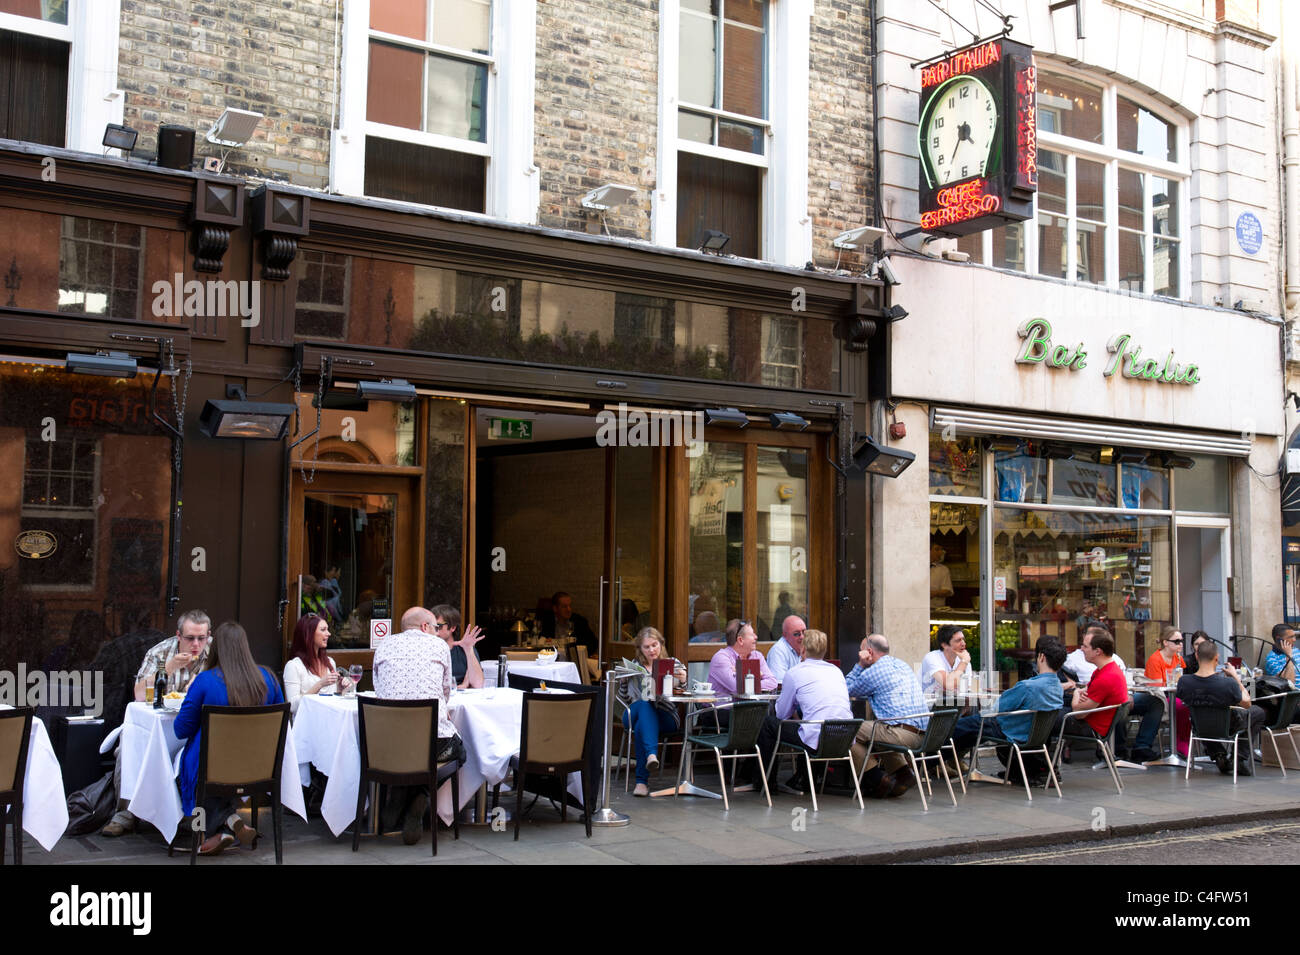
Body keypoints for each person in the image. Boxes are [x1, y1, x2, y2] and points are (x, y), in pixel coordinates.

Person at [173, 621, 284, 855]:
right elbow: (282, 725)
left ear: (216, 649)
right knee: (211, 771)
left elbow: (181, 729)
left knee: (184, 772)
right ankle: (232, 821)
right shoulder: (270, 679)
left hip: (213, 767)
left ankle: (202, 833)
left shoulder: (205, 681)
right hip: (258, 768)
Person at [102, 609, 213, 838]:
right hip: (157, 726)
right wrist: (169, 668)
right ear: (178, 635)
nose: (196, 644)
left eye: (201, 638)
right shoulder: (161, 652)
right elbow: (139, 695)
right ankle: (126, 813)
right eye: (190, 638)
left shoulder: (214, 654)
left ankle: (191, 813)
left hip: (192, 727)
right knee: (128, 745)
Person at [372, 606, 467, 844]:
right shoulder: (439, 646)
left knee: (410, 753)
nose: (437, 632)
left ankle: (401, 794)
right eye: (435, 627)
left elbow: (378, 689)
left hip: (386, 745)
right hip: (433, 742)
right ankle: (420, 795)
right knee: (460, 752)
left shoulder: (384, 645)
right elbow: (446, 692)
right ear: (425, 627)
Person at [951, 636, 1066, 779]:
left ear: (1041, 657)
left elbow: (997, 709)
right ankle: (943, 761)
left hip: (1009, 730)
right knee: (967, 730)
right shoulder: (1058, 688)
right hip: (1031, 735)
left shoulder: (1027, 686)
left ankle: (930, 760)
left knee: (957, 728)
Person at [758, 629, 852, 793]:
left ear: (803, 649)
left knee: (769, 724)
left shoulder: (795, 672)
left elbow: (781, 714)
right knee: (805, 724)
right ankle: (805, 779)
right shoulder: (836, 671)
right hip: (844, 737)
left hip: (816, 739)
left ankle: (766, 782)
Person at [846, 634, 927, 798]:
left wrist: (860, 664)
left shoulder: (874, 671)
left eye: (860, 651)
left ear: (868, 651)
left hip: (902, 734)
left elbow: (845, 689)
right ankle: (903, 773)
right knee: (879, 728)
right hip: (925, 735)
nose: (859, 654)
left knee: (847, 730)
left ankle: (877, 780)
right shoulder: (902, 665)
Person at [1176, 636, 1267, 775]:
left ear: (1196, 656)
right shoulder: (1227, 684)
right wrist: (1235, 678)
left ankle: (1218, 754)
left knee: (1204, 715)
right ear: (1216, 658)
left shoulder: (1184, 682)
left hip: (1200, 728)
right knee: (1257, 712)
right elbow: (1247, 703)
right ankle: (1240, 758)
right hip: (1228, 726)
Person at [620, 627, 686, 796]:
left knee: (643, 723)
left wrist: (682, 679)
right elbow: (625, 699)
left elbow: (683, 690)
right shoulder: (634, 666)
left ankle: (642, 781)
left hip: (666, 715)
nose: (651, 650)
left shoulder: (673, 663)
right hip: (633, 713)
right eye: (646, 647)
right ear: (640, 649)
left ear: (661, 644)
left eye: (654, 645)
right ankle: (650, 756)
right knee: (643, 704)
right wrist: (625, 681)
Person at [1062, 627, 1129, 756]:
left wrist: (1076, 694)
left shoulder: (1106, 676)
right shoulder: (1106, 669)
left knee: (1043, 719)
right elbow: (1087, 691)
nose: (1081, 649)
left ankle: (1043, 767)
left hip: (1092, 727)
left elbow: (1078, 713)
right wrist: (1081, 696)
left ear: (1098, 651)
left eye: (1085, 646)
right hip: (1094, 722)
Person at [283, 613, 340, 717]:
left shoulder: (330, 662)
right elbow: (292, 706)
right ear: (309, 634)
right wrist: (320, 684)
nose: (329, 634)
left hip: (331, 721)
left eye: (327, 629)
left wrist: (341, 688)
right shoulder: (293, 666)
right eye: (323, 630)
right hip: (307, 725)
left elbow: (334, 699)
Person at [707, 619, 777, 701]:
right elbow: (736, 687)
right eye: (752, 634)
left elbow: (772, 682)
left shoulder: (756, 655)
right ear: (740, 640)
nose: (756, 637)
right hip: (721, 711)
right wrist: (757, 676)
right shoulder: (721, 658)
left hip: (751, 709)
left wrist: (738, 672)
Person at [541, 591, 598, 677]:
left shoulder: (579, 621)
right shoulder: (547, 621)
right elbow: (541, 640)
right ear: (555, 608)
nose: (569, 609)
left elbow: (593, 643)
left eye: (569, 606)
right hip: (552, 663)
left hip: (575, 663)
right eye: (564, 607)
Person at [431, 603, 485, 689]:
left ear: (452, 627)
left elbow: (478, 684)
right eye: (432, 627)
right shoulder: (426, 650)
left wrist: (469, 650)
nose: (435, 631)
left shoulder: (464, 649)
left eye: (439, 626)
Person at [920, 625, 971, 694]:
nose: (963, 644)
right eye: (958, 640)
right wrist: (964, 661)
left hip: (951, 703)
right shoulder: (932, 657)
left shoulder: (964, 661)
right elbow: (949, 685)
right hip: (927, 703)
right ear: (944, 645)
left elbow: (966, 690)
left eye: (963, 639)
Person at [766, 614, 806, 683]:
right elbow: (780, 682)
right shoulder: (778, 651)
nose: (802, 637)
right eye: (797, 634)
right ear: (785, 635)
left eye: (804, 632)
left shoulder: (807, 646)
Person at [929, 544, 954, 610]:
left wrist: (933, 593)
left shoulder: (943, 569)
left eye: (941, 550)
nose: (940, 552)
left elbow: (948, 591)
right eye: (937, 549)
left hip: (937, 609)